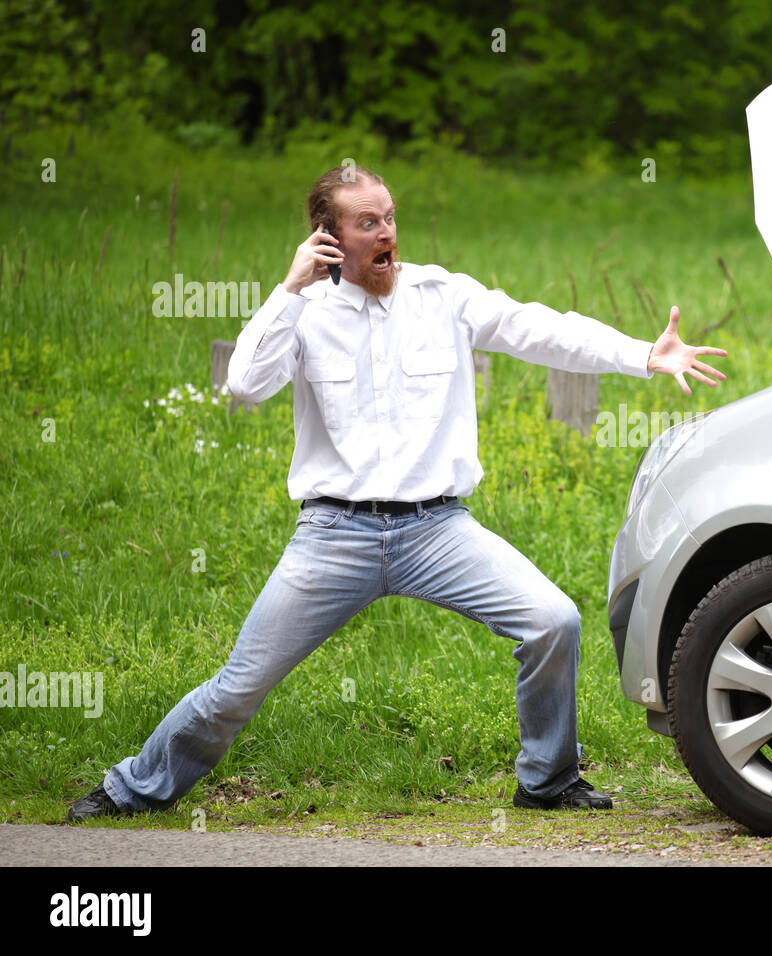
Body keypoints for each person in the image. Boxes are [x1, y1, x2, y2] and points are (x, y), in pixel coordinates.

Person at [68, 164, 726, 821]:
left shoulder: (443, 295)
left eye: (389, 217)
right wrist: (290, 289)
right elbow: (244, 383)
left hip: (438, 531)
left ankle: (547, 779)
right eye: (367, 222)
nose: (386, 231)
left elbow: (542, 330)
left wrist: (643, 354)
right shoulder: (306, 313)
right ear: (330, 237)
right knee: (240, 685)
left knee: (552, 621)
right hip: (333, 538)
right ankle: (132, 788)